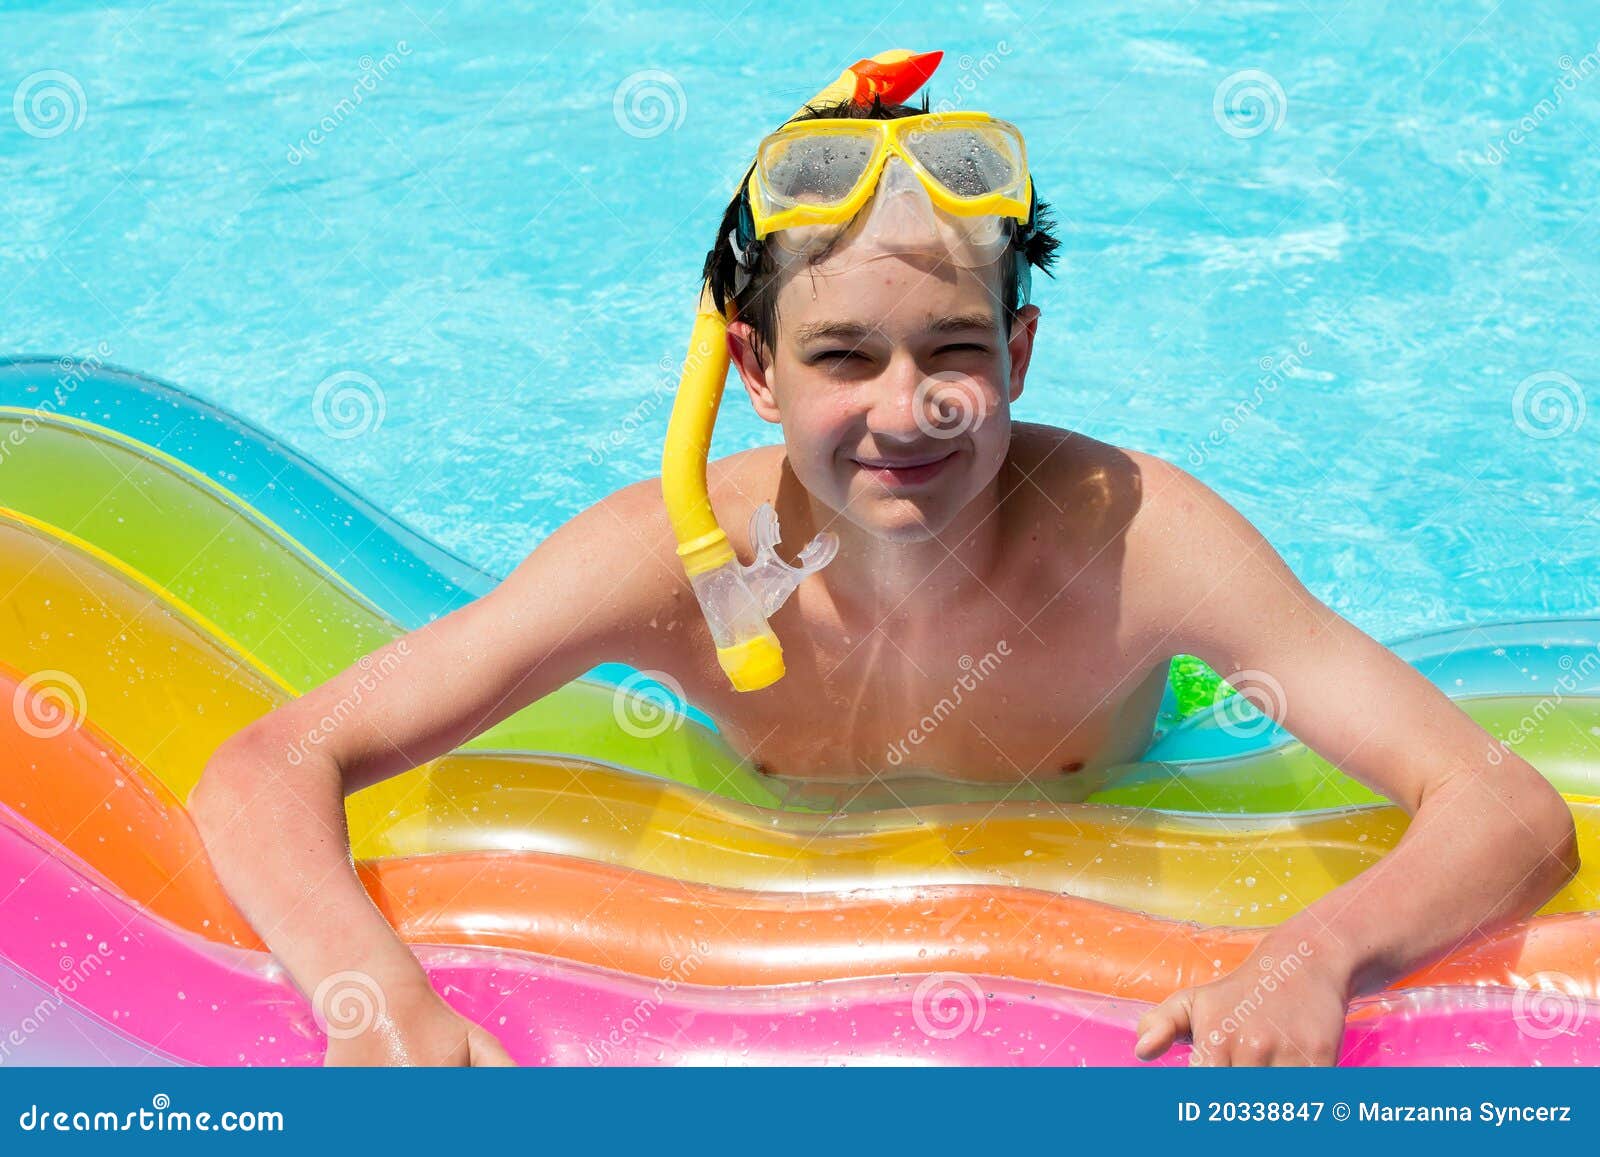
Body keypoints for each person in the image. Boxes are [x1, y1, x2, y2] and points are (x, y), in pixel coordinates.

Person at [188, 56, 1579, 1068]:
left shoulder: (1136, 544)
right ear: (756, 372)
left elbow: (1506, 808)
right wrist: (369, 990)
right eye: (844, 358)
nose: (907, 409)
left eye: (955, 352)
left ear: (1019, 354)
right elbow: (266, 765)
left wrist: (1312, 953)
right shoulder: (695, 568)